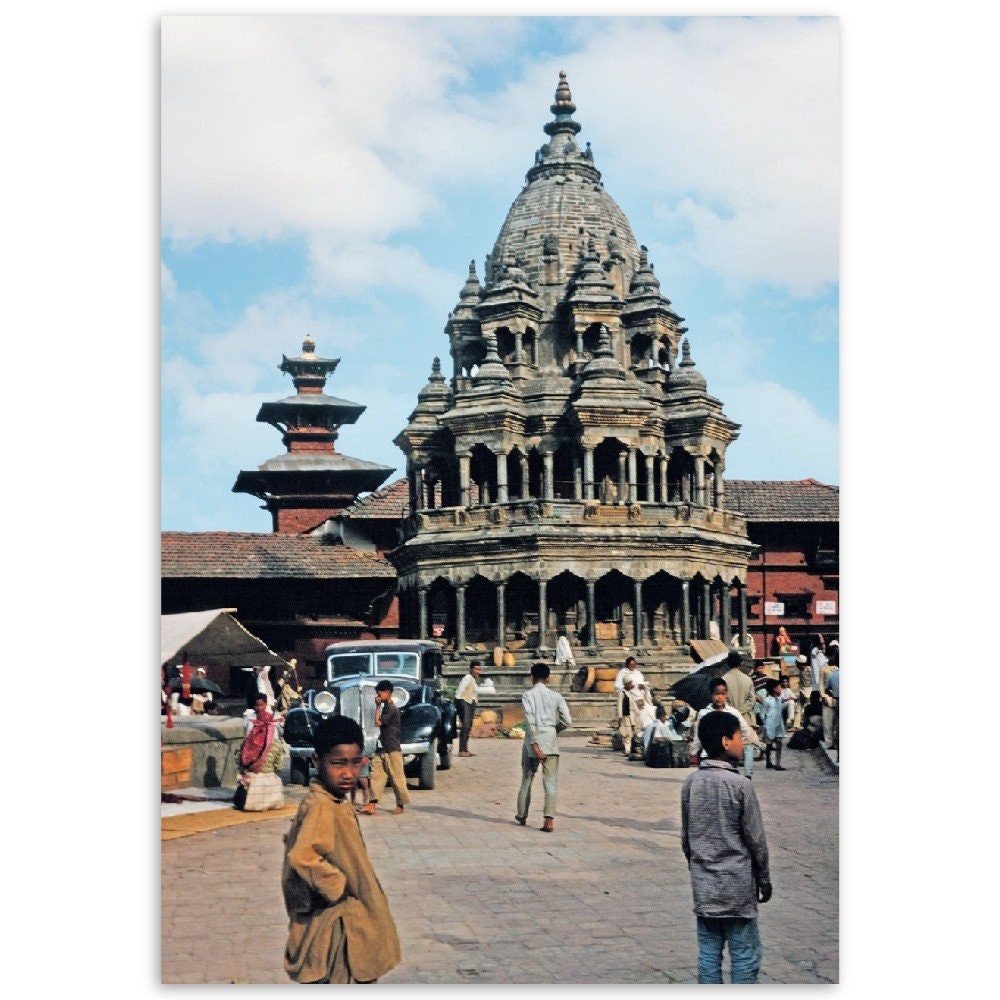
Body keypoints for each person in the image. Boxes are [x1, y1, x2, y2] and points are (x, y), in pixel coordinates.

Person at [281, 715, 401, 984]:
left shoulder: (334, 800)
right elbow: (303, 856)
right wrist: (338, 885)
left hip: (345, 919)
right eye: (338, 763)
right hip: (338, 926)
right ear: (317, 761)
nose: (348, 773)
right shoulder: (321, 805)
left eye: (355, 762)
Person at [681, 711, 772, 984]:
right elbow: (756, 840)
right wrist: (764, 878)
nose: (742, 743)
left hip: (705, 885)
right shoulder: (740, 785)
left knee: (708, 952)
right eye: (738, 737)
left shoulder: (691, 784)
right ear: (725, 741)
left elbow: (687, 839)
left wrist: (699, 870)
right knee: (744, 953)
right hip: (737, 885)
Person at [515, 661, 573, 833]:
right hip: (550, 741)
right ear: (548, 678)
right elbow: (567, 721)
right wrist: (554, 730)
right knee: (550, 782)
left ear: (531, 677)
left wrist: (534, 744)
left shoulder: (527, 695)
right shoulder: (556, 696)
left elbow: (530, 721)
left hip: (531, 743)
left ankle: (522, 815)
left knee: (527, 779)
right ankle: (549, 819)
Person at [689, 678, 759, 779]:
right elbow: (698, 735)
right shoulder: (703, 713)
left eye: (722, 694)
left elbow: (745, 731)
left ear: (726, 695)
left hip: (728, 757)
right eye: (716, 694)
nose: (719, 697)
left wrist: (735, 744)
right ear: (711, 695)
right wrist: (694, 752)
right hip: (708, 756)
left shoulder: (733, 712)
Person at [359, 680, 410, 816]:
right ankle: (372, 804)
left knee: (397, 778)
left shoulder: (391, 708)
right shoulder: (386, 707)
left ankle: (400, 804)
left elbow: (377, 723)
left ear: (387, 692)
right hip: (382, 748)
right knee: (376, 776)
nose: (378, 696)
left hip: (392, 749)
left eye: (379, 693)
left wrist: (377, 706)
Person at [722, 650, 758, 779]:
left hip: (729, 717)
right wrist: (742, 710)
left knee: (730, 746)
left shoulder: (723, 680)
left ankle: (732, 771)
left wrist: (733, 710)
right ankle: (748, 773)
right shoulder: (747, 679)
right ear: (740, 663)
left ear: (727, 663)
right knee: (748, 746)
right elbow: (752, 700)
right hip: (746, 717)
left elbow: (723, 700)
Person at [614, 656, 647, 756]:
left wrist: (642, 687)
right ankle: (627, 749)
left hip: (638, 701)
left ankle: (635, 746)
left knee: (637, 728)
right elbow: (617, 686)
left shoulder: (638, 673)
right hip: (627, 710)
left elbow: (643, 686)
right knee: (627, 732)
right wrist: (620, 717)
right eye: (631, 664)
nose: (633, 666)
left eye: (634, 664)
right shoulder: (623, 673)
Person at [455, 661, 482, 757]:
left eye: (479, 670)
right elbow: (459, 692)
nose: (478, 671)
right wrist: (460, 704)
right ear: (471, 669)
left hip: (470, 703)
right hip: (464, 702)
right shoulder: (467, 678)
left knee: (469, 726)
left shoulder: (473, 680)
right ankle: (461, 750)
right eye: (476, 669)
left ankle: (465, 749)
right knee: (465, 725)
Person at [759, 678, 787, 771]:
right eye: (779, 687)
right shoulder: (767, 700)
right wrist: (765, 724)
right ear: (774, 689)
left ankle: (778, 764)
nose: (780, 689)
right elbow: (762, 714)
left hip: (779, 725)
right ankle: (768, 762)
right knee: (769, 744)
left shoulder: (779, 699)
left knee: (779, 743)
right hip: (769, 726)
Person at [824, 649, 840, 754]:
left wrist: (834, 693)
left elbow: (826, 689)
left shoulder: (833, 675)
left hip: (837, 701)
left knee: (837, 725)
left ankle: (836, 746)